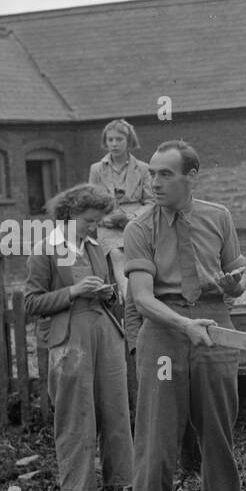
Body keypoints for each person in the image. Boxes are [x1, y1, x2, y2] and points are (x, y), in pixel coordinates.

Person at [123, 140, 246, 491]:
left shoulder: (219, 217)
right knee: (157, 437)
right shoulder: (139, 227)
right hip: (164, 328)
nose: (154, 181)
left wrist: (232, 285)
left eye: (165, 174)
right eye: (152, 173)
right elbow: (140, 297)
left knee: (218, 428)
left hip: (215, 324)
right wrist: (184, 326)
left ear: (191, 176)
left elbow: (237, 282)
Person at [23, 184, 132, 491]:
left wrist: (108, 293)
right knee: (75, 414)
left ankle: (122, 483)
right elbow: (31, 302)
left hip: (105, 333)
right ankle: (76, 490)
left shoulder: (96, 247)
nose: (93, 226)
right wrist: (72, 292)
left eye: (97, 221)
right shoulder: (46, 249)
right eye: (88, 220)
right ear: (68, 215)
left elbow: (113, 294)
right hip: (69, 339)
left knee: (115, 410)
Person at [89, 119, 155, 420]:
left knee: (137, 255)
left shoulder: (142, 168)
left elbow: (150, 201)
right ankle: (132, 299)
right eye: (110, 140)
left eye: (119, 139)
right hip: (108, 225)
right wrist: (113, 216)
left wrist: (130, 218)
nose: (114, 144)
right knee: (117, 256)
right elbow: (95, 201)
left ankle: (141, 293)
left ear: (129, 142)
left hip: (135, 222)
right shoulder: (97, 169)